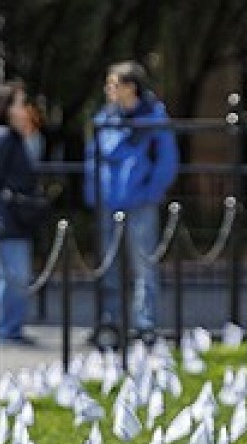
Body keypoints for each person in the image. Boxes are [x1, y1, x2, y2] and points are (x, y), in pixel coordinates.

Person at [84, 61, 178, 348]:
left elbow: (167, 161)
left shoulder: (153, 118)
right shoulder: (105, 117)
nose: (108, 90)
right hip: (108, 201)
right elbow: (94, 158)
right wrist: (94, 193)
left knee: (144, 266)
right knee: (108, 266)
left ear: (130, 87)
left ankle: (144, 324)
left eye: (113, 84)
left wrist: (150, 192)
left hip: (140, 202)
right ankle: (110, 321)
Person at [0, 81, 44, 344]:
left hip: (17, 213)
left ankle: (12, 326)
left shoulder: (17, 136)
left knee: (15, 273)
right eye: (20, 103)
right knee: (14, 274)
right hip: (8, 213)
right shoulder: (4, 137)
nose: (25, 109)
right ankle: (8, 327)